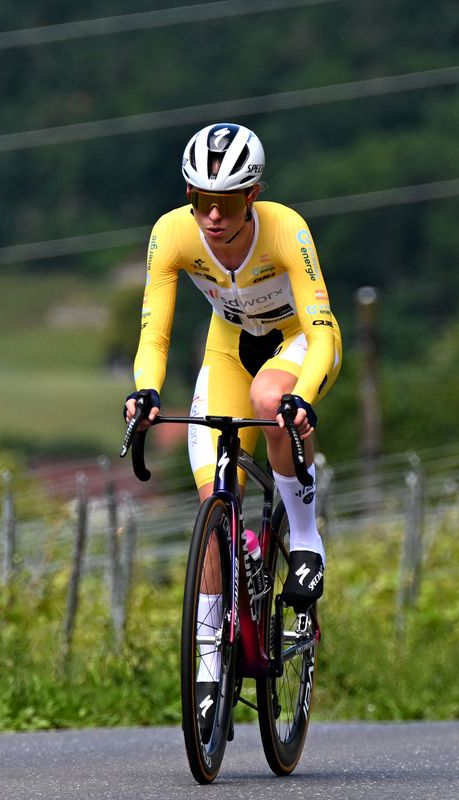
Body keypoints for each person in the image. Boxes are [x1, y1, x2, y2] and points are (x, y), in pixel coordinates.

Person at [123, 120, 342, 606]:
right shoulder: (172, 233)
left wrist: (301, 396)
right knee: (214, 512)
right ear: (189, 195)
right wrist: (146, 390)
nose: (214, 215)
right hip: (229, 349)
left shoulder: (286, 228)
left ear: (254, 196)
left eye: (230, 202)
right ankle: (208, 675)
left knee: (269, 399)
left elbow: (322, 329)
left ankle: (306, 541)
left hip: (296, 341)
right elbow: (154, 332)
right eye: (202, 201)